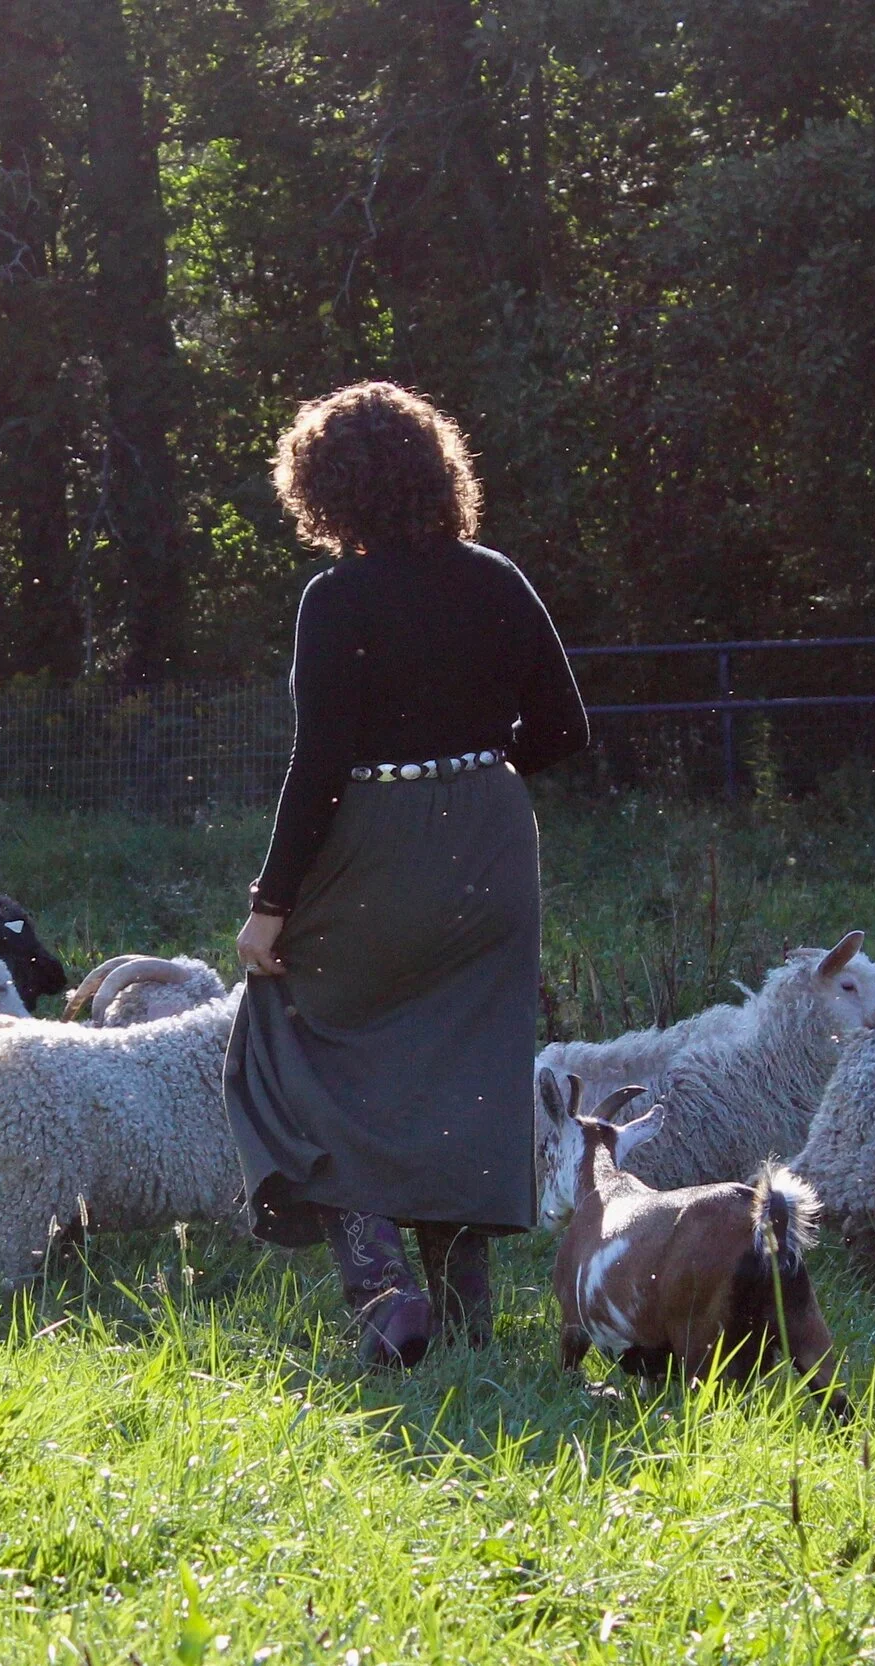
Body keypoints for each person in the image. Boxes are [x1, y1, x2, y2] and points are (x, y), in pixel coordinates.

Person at [223, 381, 589, 1368]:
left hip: (377, 841)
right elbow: (565, 728)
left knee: (293, 1035)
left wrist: (270, 907)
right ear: (437, 470)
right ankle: (464, 1316)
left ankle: (383, 1291)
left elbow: (318, 764)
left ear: (323, 488)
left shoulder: (336, 598)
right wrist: (477, 771)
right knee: (467, 1069)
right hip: (491, 841)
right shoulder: (495, 579)